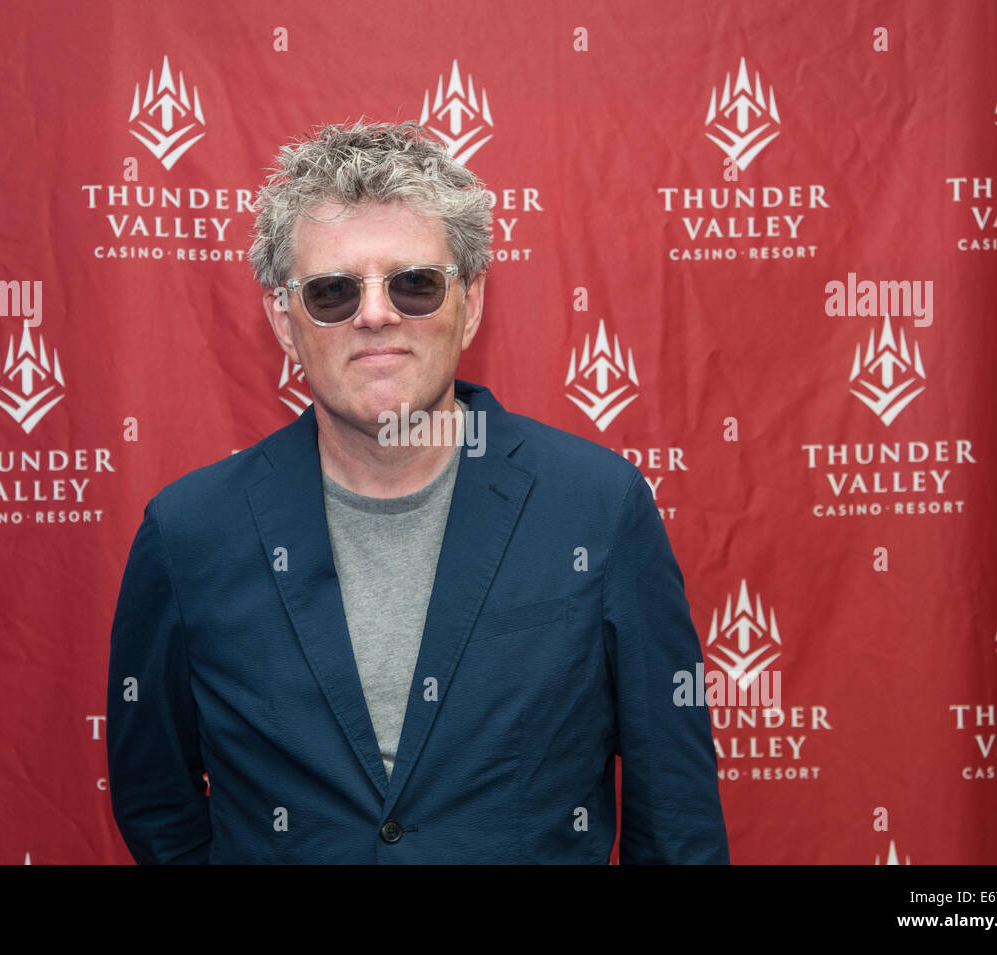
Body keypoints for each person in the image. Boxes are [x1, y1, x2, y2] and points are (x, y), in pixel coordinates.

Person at [106, 119, 729, 864]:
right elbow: (156, 799)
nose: (376, 314)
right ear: (283, 319)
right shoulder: (188, 533)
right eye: (333, 291)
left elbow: (677, 811)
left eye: (415, 283)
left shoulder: (600, 507)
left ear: (469, 301)